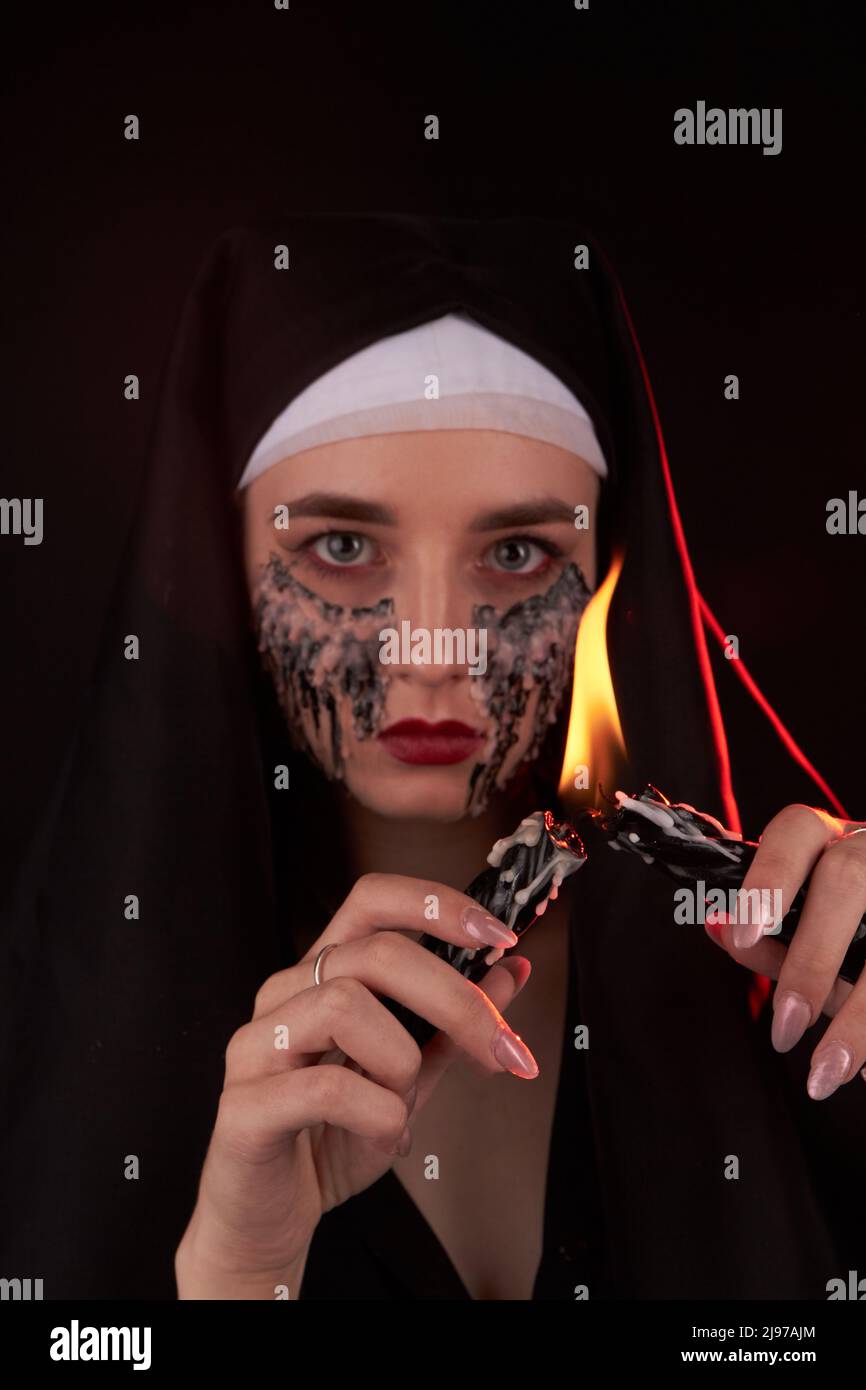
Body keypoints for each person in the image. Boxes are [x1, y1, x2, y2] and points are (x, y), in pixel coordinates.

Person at [1, 213, 864, 1302]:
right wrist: (238, 1273)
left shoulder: (783, 987)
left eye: (514, 554)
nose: (427, 654)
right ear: (220, 556)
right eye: (343, 547)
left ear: (609, 565)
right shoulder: (53, 1034)